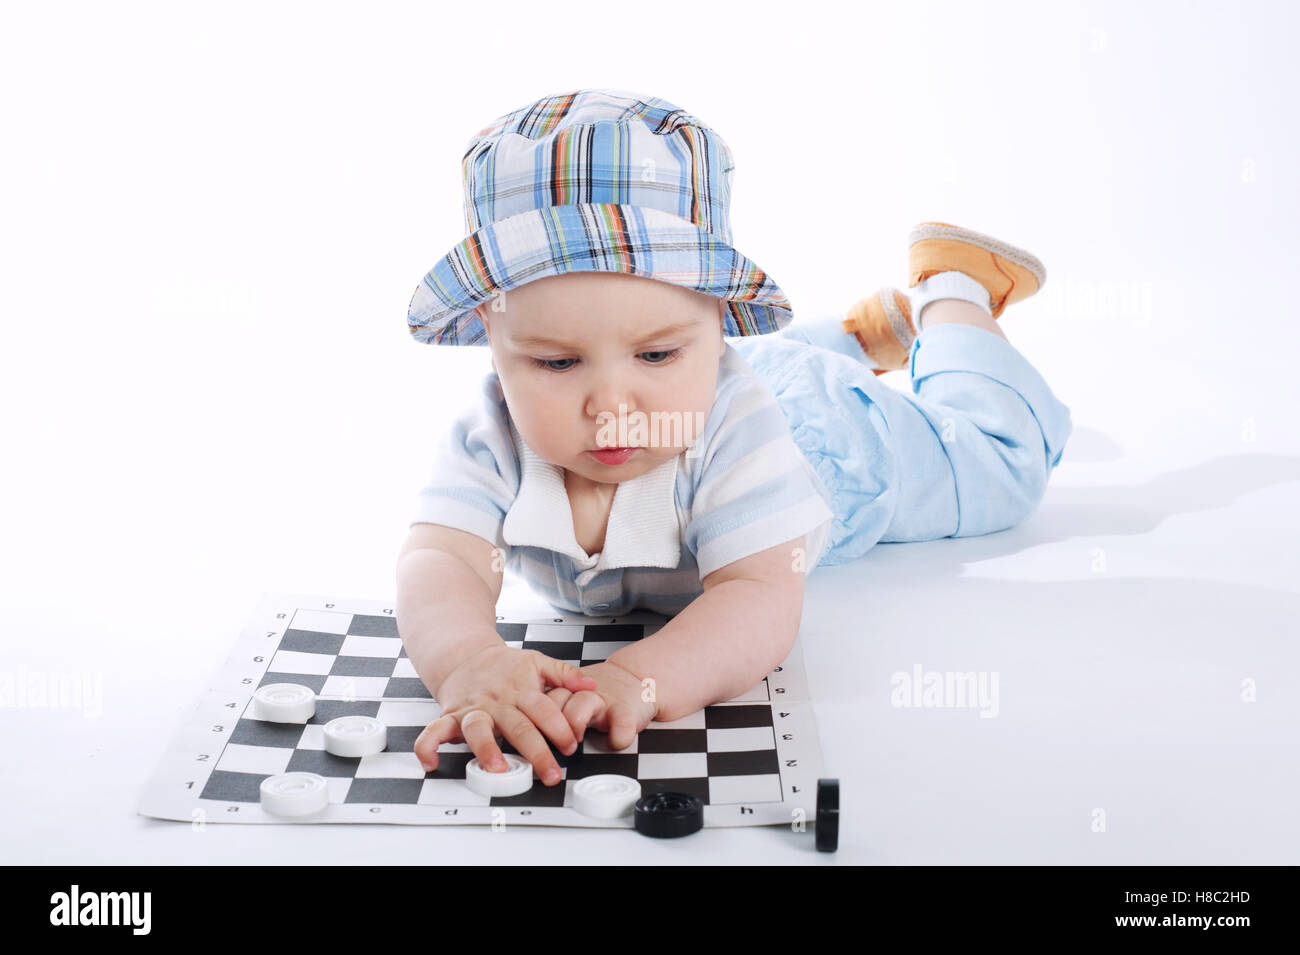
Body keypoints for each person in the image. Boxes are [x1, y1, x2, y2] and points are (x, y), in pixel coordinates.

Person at [395, 89, 1072, 786]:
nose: (611, 405)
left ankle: (949, 292)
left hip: (833, 436)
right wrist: (467, 659)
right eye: (557, 362)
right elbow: (441, 557)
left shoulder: (736, 426)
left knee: (999, 466)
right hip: (759, 375)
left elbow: (759, 594)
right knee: (755, 367)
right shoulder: (493, 433)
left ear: (720, 322)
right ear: (492, 335)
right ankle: (858, 333)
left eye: (656, 354)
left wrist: (640, 675)